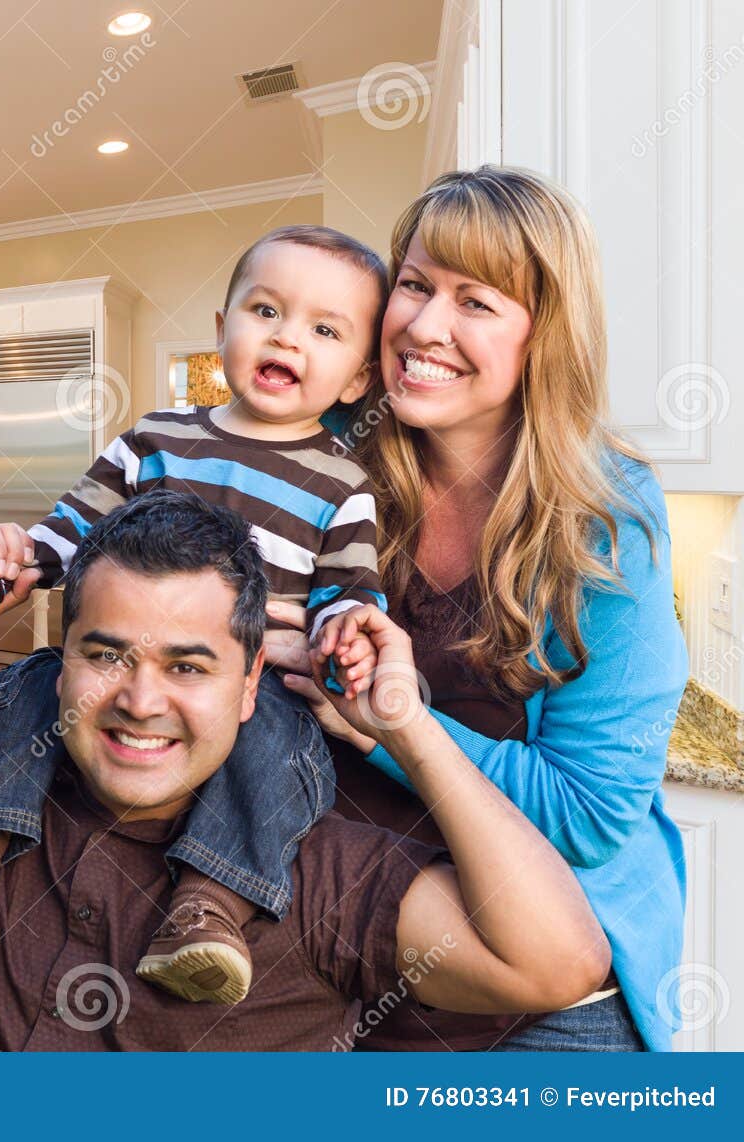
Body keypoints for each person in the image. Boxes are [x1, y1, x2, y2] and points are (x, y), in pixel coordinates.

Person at [0, 492, 611, 1051]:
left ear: (247, 687)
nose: (141, 698)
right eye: (104, 654)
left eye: (188, 665)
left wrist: (404, 726)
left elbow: (555, 959)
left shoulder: (313, 871)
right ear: (56, 664)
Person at [0, 225, 392, 1006]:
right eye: (265, 310)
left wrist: (346, 634)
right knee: (25, 685)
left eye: (323, 329)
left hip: (250, 684)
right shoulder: (154, 439)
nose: (286, 337)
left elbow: (351, 593)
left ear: (354, 380)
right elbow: (69, 530)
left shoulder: (343, 483)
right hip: (114, 664)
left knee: (281, 741)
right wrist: (14, 562)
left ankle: (210, 909)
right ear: (222, 332)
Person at [269, 165, 688, 1051]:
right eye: (415, 286)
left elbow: (586, 814)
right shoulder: (324, 464)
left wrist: (381, 729)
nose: (425, 327)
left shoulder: (606, 521)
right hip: (345, 939)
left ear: (546, 338)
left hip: (542, 984)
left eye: (477, 302)